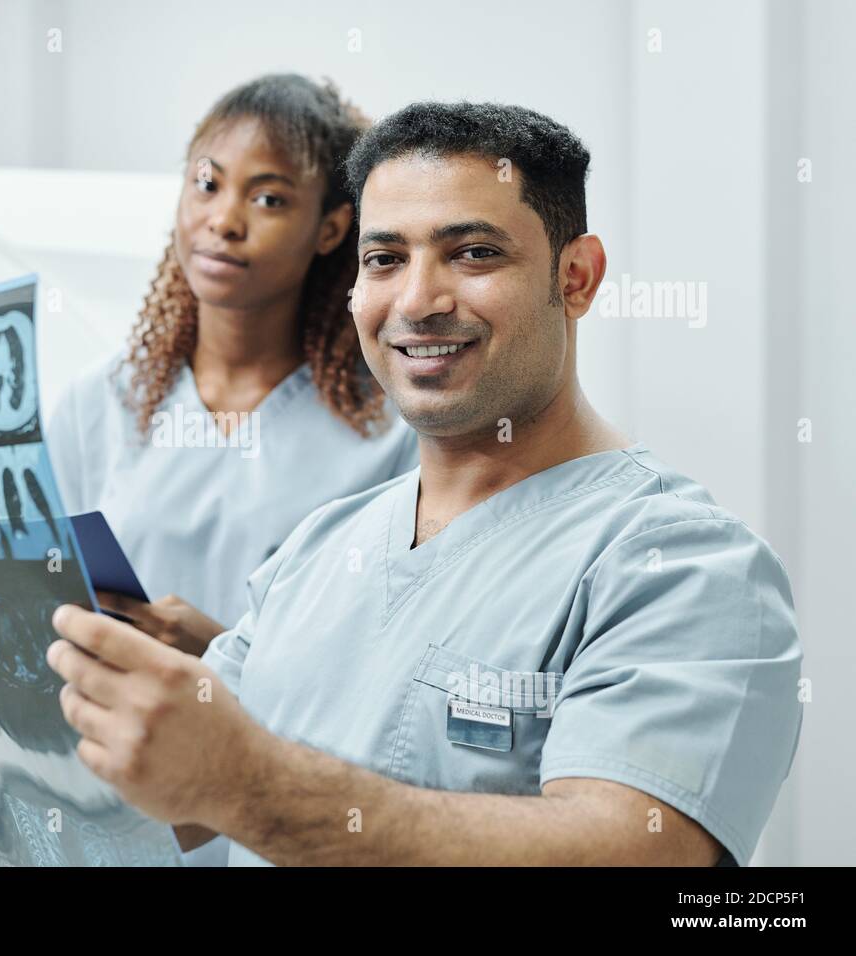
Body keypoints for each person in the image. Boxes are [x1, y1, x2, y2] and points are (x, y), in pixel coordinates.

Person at [44, 101, 804, 866]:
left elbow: (636, 852)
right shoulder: (316, 552)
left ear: (576, 278)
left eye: (473, 254)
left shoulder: (686, 569)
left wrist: (249, 787)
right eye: (385, 259)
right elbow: (163, 798)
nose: (416, 301)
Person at [0, 74, 418, 863]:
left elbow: (388, 681)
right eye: (207, 184)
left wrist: (221, 658)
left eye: (270, 199)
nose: (224, 220)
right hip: (97, 810)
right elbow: (30, 622)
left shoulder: (387, 433)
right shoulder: (99, 406)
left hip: (276, 822)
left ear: (331, 230)